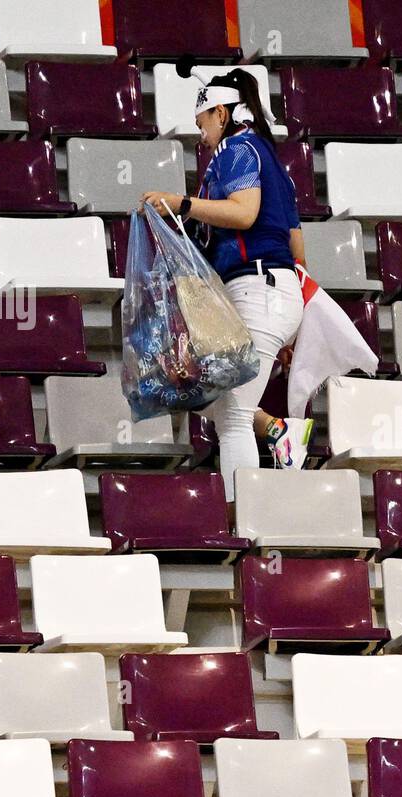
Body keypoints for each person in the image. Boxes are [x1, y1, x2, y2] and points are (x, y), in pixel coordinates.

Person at [141, 68, 310, 498]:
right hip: (272, 291)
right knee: (205, 396)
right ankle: (277, 431)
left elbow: (244, 213)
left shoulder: (237, 149)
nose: (201, 137)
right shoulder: (271, 159)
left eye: (202, 124)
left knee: (232, 414)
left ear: (220, 112)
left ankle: (242, 523)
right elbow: (297, 247)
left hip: (259, 289)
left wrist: (181, 203)